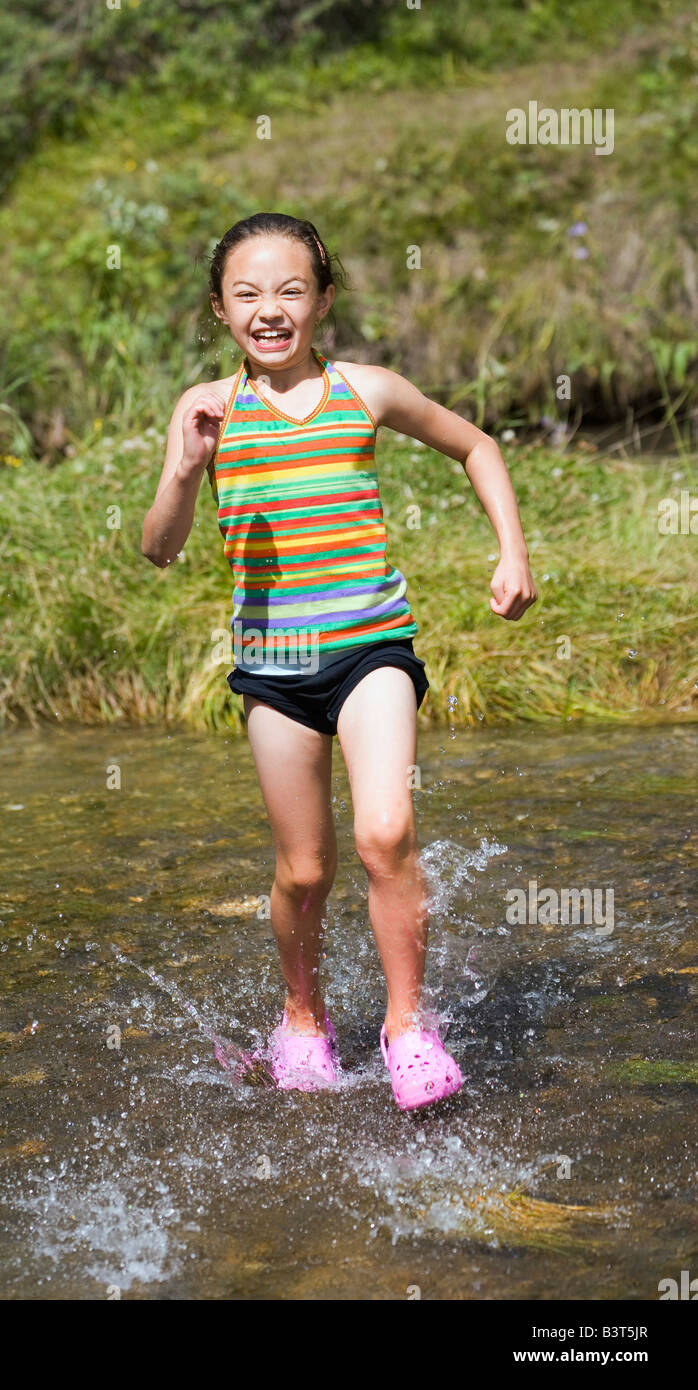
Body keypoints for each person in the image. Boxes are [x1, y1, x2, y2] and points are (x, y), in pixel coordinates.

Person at [141, 213, 537, 1110]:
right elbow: (159, 549)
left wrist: (512, 552)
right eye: (247, 293)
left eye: (290, 290)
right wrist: (182, 469)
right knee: (306, 871)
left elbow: (478, 445)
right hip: (273, 673)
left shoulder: (368, 389)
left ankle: (406, 1028)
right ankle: (302, 1014)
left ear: (323, 300)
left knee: (385, 834)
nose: (269, 309)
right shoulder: (207, 406)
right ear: (219, 309)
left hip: (372, 650)